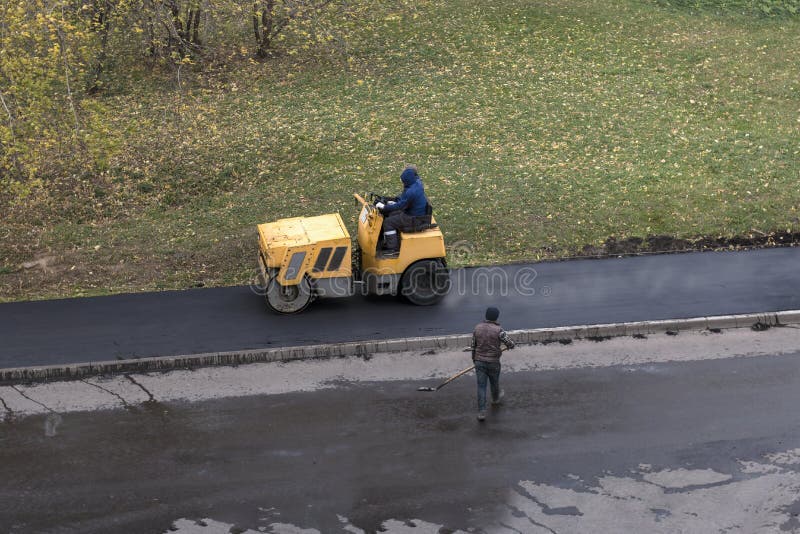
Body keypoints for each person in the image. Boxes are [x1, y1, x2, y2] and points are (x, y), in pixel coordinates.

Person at [471, 306, 515, 421]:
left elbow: (473, 347)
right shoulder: (499, 330)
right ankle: (495, 399)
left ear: (486, 316)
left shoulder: (477, 328)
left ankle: (481, 412)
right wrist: (511, 346)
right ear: (496, 317)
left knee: (481, 386)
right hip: (493, 362)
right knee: (494, 383)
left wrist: (474, 360)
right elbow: (510, 343)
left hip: (479, 362)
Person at [375, 165, 429, 255]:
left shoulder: (411, 192)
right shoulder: (417, 182)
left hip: (413, 218)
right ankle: (392, 241)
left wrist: (385, 207)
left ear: (407, 181)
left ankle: (392, 249)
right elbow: (404, 200)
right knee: (392, 215)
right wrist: (393, 201)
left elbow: (400, 205)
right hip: (416, 212)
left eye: (404, 182)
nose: (403, 184)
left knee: (388, 222)